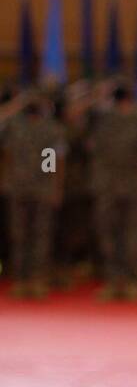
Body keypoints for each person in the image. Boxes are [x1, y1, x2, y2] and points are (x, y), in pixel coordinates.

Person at [86, 80, 137, 301]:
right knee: (120, 234)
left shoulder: (108, 118)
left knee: (125, 235)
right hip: (125, 185)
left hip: (120, 186)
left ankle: (123, 281)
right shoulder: (107, 118)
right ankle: (118, 281)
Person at [1, 88, 68, 298]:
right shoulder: (12, 126)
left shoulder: (51, 130)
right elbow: (7, 155)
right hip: (20, 188)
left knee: (40, 236)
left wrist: (53, 186)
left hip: (39, 189)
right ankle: (22, 279)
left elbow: (53, 161)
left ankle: (36, 279)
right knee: (20, 236)